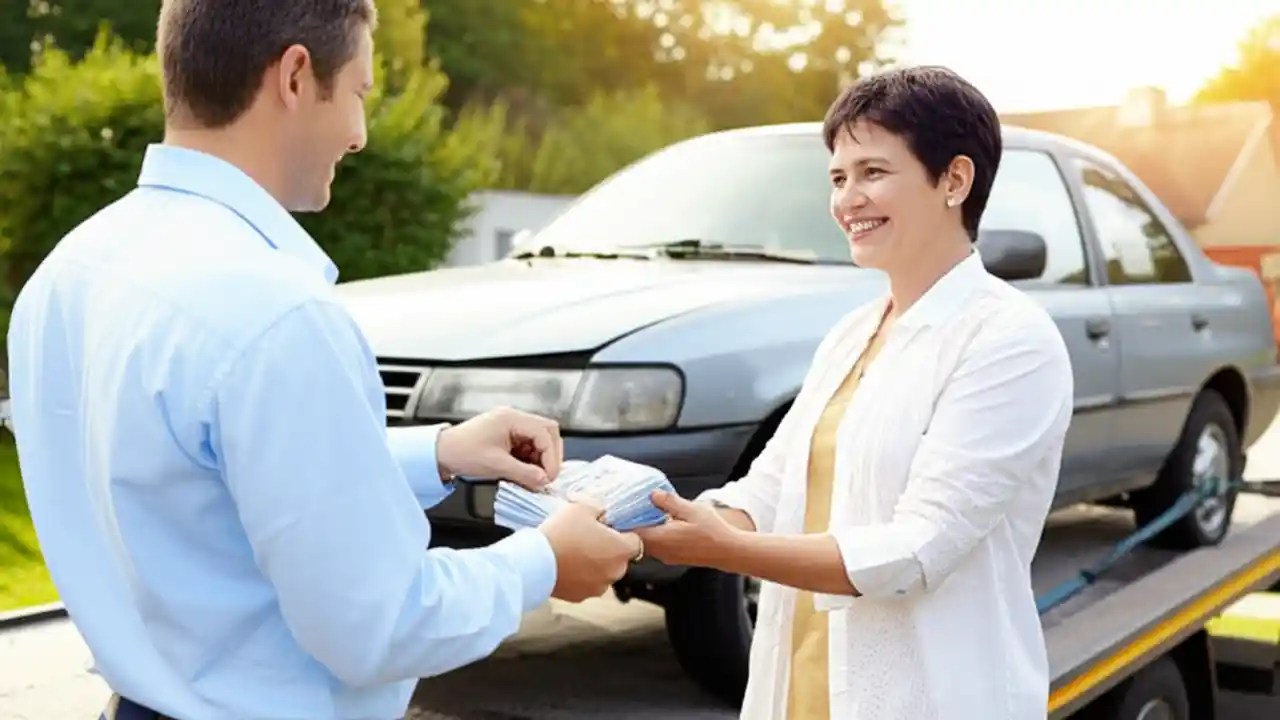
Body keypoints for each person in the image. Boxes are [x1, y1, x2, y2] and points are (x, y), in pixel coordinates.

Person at [5, 2, 641, 719]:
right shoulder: (277, 315)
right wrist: (545, 561)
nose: (360, 135)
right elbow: (380, 623)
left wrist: (440, 451)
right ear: (297, 76)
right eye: (362, 94)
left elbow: (197, 478)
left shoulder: (68, 274)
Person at [636, 65, 1075, 720]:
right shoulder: (852, 333)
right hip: (803, 692)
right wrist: (660, 518)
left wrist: (724, 550)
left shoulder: (1010, 341)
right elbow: (770, 488)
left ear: (954, 179)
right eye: (838, 178)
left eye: (873, 173)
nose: (847, 201)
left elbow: (917, 548)